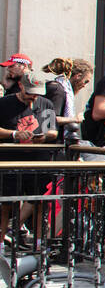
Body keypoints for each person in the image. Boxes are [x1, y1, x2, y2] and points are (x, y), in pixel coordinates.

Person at [0, 71, 58, 241]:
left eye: (37, 94)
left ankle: (39, 244)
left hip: (39, 160)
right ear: (20, 86)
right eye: (30, 93)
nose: (33, 97)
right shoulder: (4, 103)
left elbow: (52, 130)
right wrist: (14, 134)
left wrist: (45, 137)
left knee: (40, 202)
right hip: (10, 160)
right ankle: (2, 245)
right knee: (5, 206)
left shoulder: (46, 104)